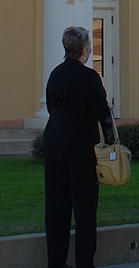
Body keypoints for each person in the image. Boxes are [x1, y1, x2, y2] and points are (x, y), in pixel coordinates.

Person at [44, 26, 111, 268]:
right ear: (83, 49)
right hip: (81, 149)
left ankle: (56, 261)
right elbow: (101, 111)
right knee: (84, 211)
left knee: (56, 209)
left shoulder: (55, 74)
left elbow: (51, 106)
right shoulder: (90, 77)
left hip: (54, 145)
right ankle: (84, 262)